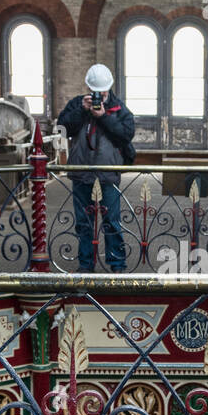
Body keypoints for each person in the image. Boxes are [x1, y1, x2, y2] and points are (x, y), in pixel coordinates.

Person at [57, 63, 136, 272]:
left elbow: (126, 134)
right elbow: (62, 128)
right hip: (82, 173)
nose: (99, 95)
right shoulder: (78, 104)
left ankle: (117, 265)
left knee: (112, 221)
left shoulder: (119, 109)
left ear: (109, 87)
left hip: (107, 174)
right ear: (88, 88)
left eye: (102, 91)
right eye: (95, 91)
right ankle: (86, 265)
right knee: (84, 223)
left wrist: (104, 117)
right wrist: (82, 111)